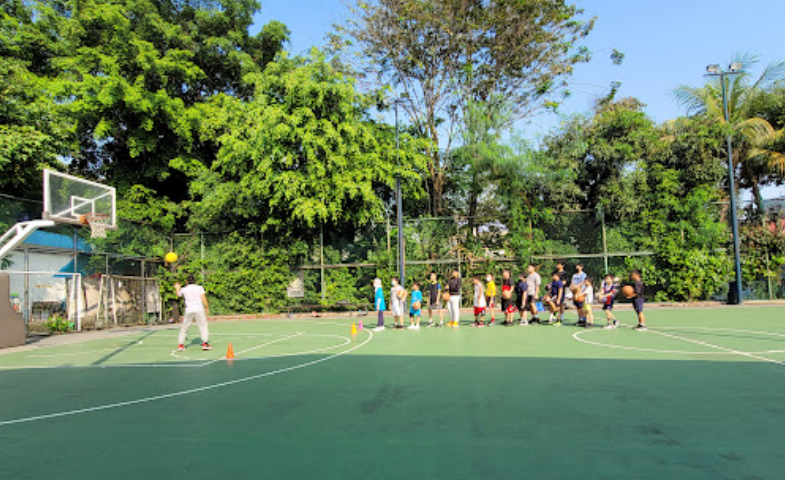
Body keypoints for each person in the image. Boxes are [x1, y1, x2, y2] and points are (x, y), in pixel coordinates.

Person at [174, 275, 211, 351]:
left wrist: (177, 288)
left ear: (186, 282)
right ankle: (205, 343)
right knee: (203, 326)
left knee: (185, 327)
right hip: (199, 309)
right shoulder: (199, 288)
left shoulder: (184, 289)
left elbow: (178, 295)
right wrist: (207, 307)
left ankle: (180, 345)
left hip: (189, 309)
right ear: (195, 281)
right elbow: (203, 297)